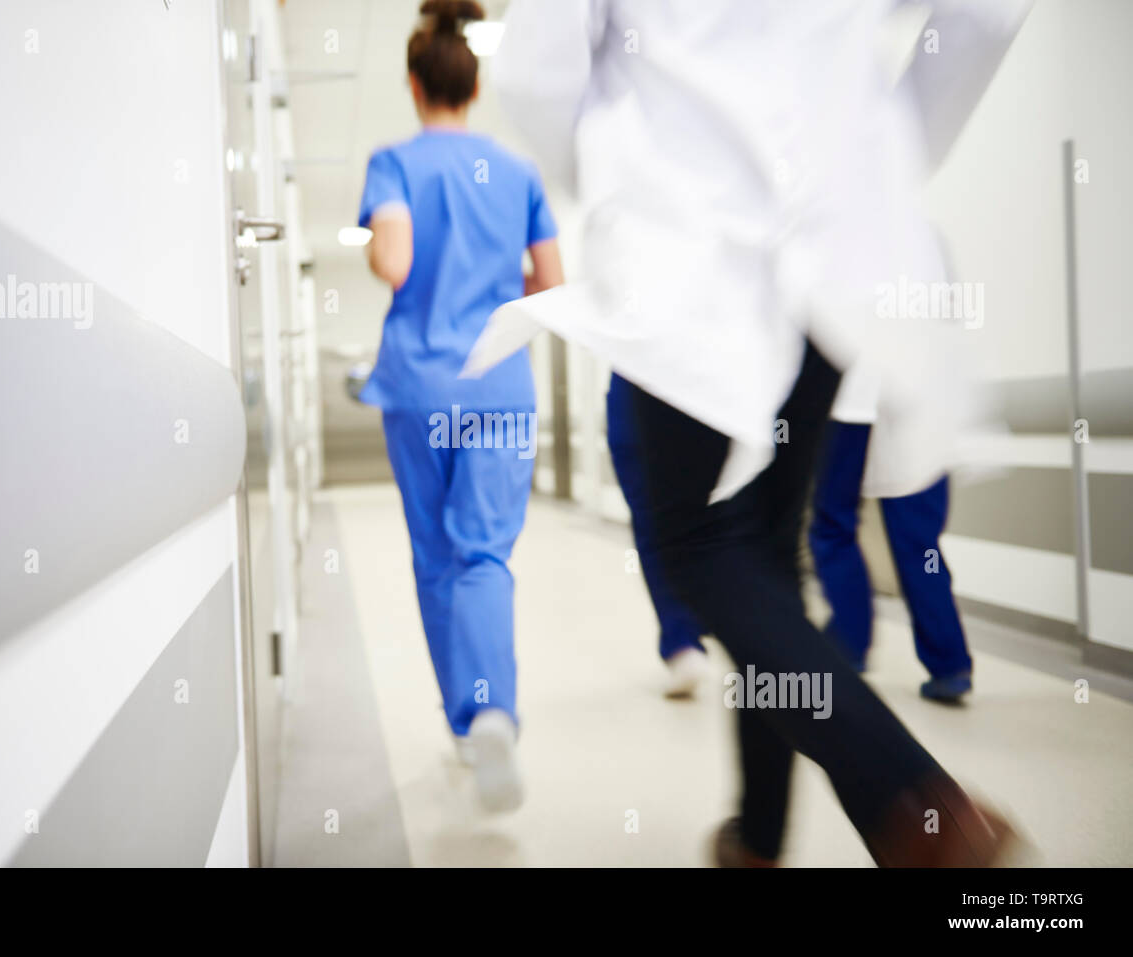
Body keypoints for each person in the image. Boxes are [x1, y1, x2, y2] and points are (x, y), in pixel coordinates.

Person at [477, 0, 1031, 864]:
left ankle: (916, 802)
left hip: (688, 246)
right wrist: (879, 158)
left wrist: (617, 178)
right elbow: (985, 15)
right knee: (763, 567)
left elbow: (533, 67)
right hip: (830, 252)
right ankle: (760, 834)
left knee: (705, 553)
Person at [357, 0, 564, 813]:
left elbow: (396, 262)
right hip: (500, 384)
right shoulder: (517, 173)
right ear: (473, 86)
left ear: (415, 84)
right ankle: (493, 714)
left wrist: (387, 243)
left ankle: (463, 719)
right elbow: (550, 284)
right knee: (484, 554)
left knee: (434, 555)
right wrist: (488, 281)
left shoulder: (393, 163)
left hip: (419, 387)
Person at [810, 407, 975, 701]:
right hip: (916, 403)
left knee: (834, 526)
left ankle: (848, 647)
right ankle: (950, 665)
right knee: (921, 543)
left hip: (850, 406)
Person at [606, 372, 708, 697]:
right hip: (698, 373)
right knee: (696, 513)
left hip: (644, 367)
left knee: (651, 515)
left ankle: (683, 642)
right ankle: (690, 634)